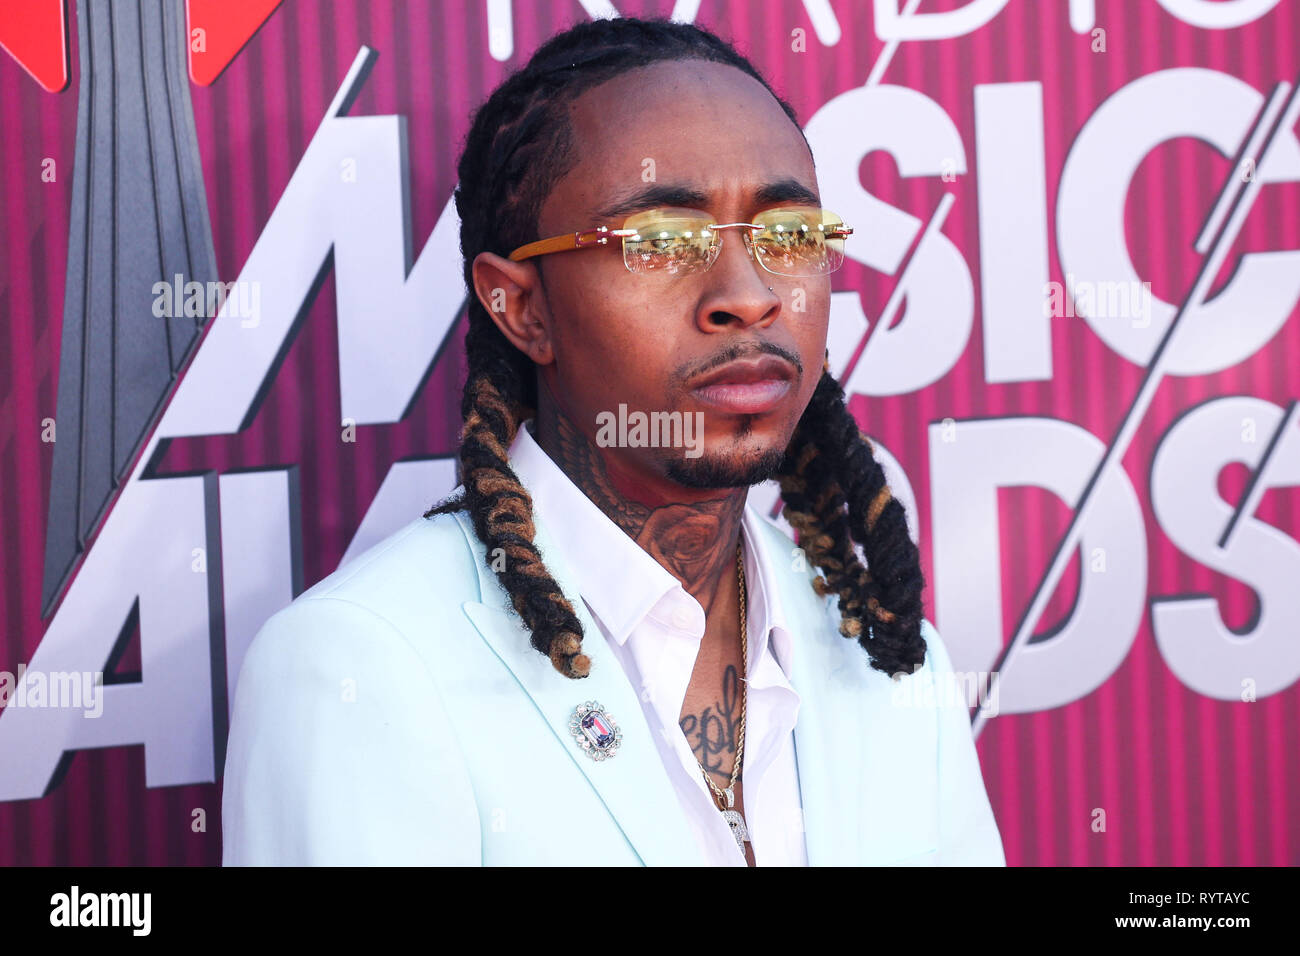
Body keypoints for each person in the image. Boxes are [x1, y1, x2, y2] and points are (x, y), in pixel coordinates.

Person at [221, 15, 1005, 867]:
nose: (748, 296)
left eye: (789, 235)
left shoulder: (883, 644)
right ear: (519, 306)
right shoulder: (362, 668)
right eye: (662, 241)